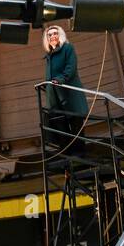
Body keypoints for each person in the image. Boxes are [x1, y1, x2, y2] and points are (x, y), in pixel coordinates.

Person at [43, 26, 86, 155]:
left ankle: (79, 155)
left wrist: (60, 79)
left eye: (55, 33)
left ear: (60, 35)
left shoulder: (68, 48)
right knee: (59, 125)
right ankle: (67, 156)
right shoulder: (49, 55)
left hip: (70, 94)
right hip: (55, 98)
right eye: (49, 35)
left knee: (76, 126)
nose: (52, 36)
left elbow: (70, 68)